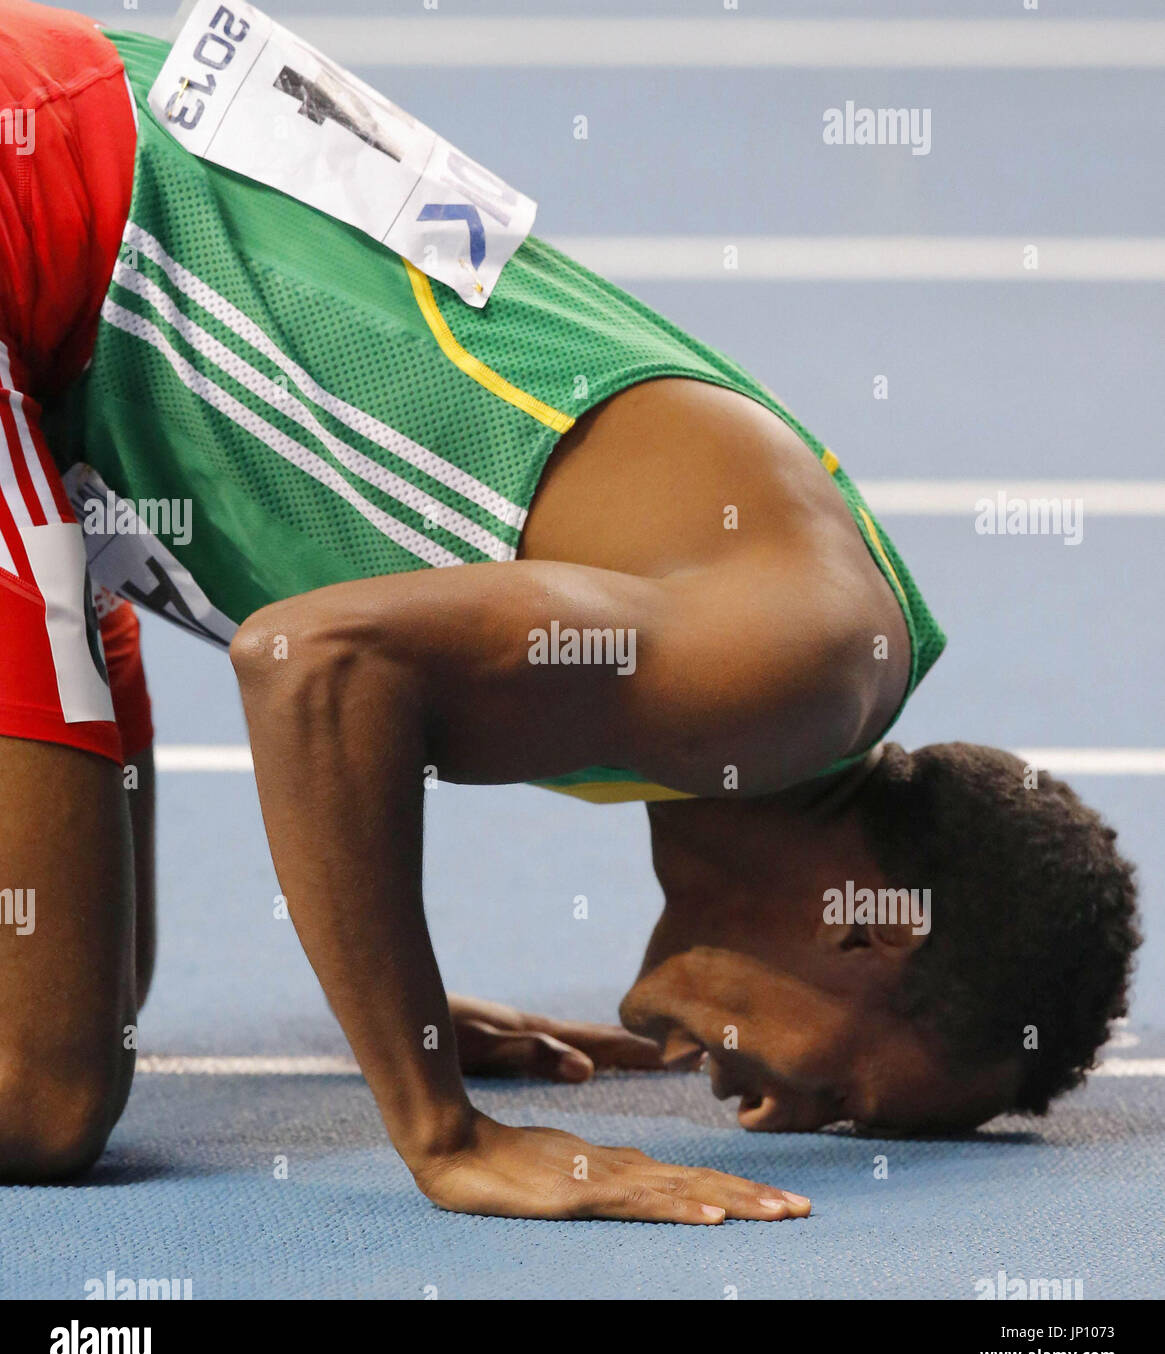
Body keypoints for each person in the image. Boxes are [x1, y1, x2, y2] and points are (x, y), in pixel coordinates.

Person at [0, 0, 1139, 1223]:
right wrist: (439, 1122)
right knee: (42, 1093)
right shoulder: (785, 677)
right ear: (872, 934)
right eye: (849, 1098)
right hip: (38, 208)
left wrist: (401, 998)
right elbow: (314, 664)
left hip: (62, 286)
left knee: (91, 995)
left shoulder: (784, 672)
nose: (777, 1117)